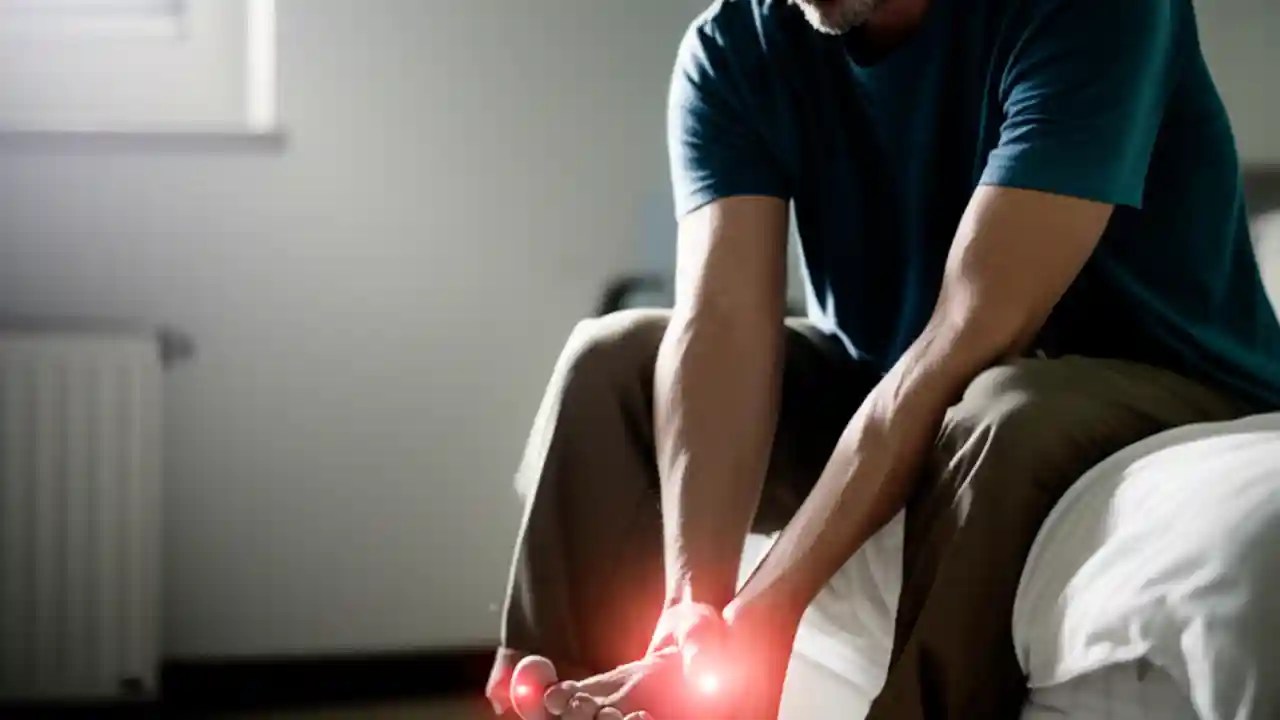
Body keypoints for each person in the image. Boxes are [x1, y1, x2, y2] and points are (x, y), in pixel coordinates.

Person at [487, 0, 1280, 717]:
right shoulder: (734, 44)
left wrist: (768, 610)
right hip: (895, 377)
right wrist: (694, 613)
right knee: (613, 359)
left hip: (1164, 380)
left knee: (1002, 407)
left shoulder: (1091, 11)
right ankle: (572, 701)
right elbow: (721, 323)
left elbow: (970, 332)